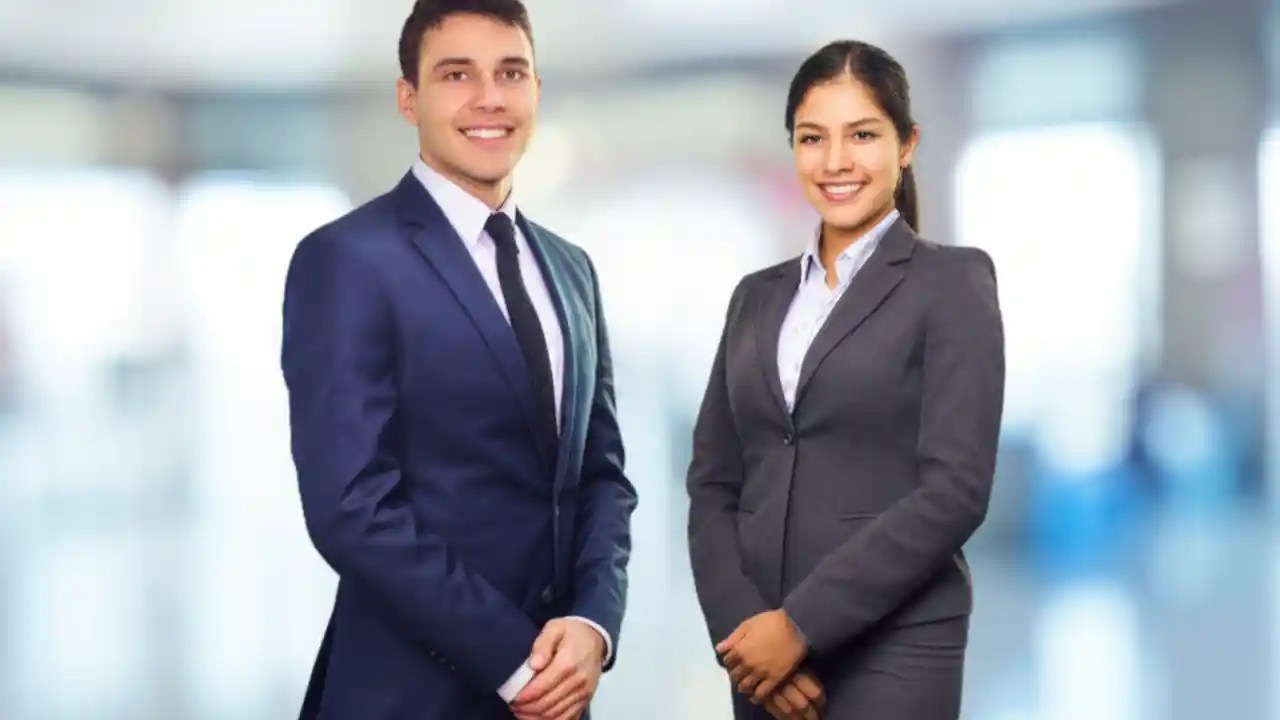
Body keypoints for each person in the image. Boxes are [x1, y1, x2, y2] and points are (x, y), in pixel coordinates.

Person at [280, 2, 637, 718]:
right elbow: (352, 508)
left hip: (557, 695)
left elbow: (600, 476)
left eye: (511, 72)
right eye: (456, 74)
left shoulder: (573, 270)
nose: (489, 98)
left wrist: (594, 626)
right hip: (409, 693)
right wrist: (514, 659)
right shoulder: (347, 259)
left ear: (536, 90)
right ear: (408, 97)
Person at [686, 39, 1005, 720]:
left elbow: (955, 490)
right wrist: (745, 633)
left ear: (907, 144)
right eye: (812, 138)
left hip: (896, 645)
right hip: (760, 654)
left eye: (862, 135)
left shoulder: (951, 283)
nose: (835, 161)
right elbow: (714, 482)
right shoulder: (755, 297)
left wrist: (799, 625)